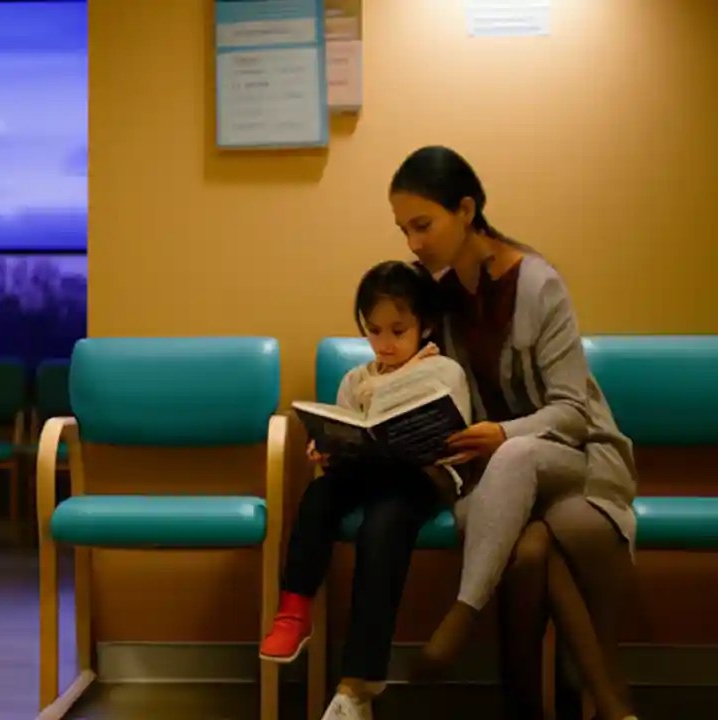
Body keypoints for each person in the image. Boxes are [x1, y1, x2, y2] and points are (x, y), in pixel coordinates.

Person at [389, 145, 639, 720]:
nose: (413, 244)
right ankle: (600, 700)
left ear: (468, 209)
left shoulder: (537, 285)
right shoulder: (441, 299)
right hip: (495, 481)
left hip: (575, 458)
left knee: (523, 454)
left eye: (423, 225)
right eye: (404, 230)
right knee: (530, 552)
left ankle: (463, 613)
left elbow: (574, 413)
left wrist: (503, 433)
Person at [259, 260, 471, 720]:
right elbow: (343, 432)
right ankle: (294, 610)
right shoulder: (356, 379)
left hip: (416, 480)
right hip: (363, 475)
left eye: (399, 330)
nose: (386, 343)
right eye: (374, 331)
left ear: (425, 326)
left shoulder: (444, 372)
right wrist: (327, 450)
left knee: (383, 527)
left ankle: (359, 682)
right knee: (318, 497)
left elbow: (456, 440)